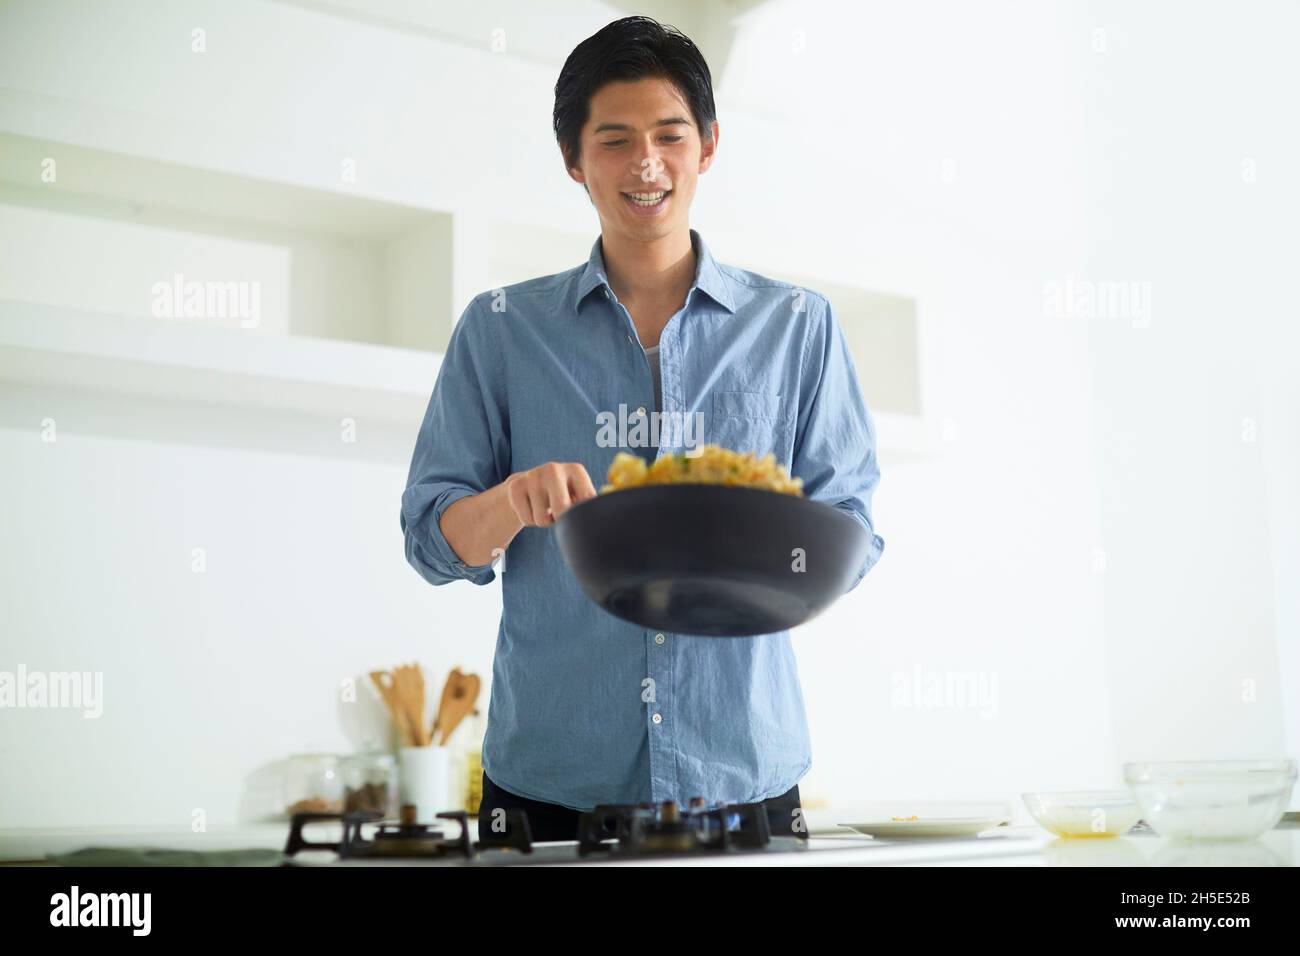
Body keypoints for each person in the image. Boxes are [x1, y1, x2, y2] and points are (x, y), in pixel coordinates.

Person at [400, 16, 885, 844]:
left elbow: (854, 533)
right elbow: (430, 540)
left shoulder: (799, 326)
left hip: (745, 771)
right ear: (574, 161)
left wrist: (760, 547)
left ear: (708, 146)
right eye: (616, 139)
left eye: (670, 134)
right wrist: (513, 501)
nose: (647, 163)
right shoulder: (500, 328)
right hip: (549, 781)